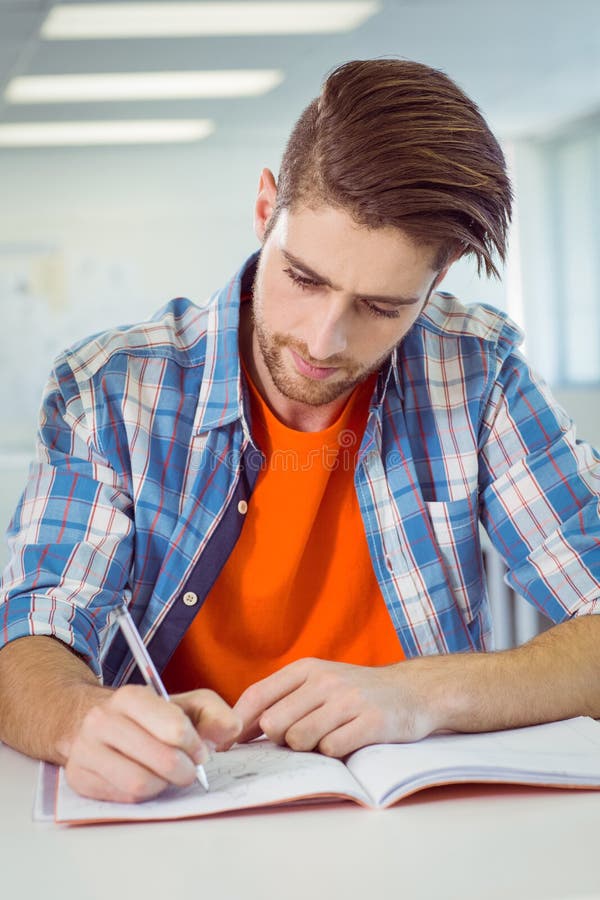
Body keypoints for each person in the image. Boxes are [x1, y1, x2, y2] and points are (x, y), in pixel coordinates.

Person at [0, 59, 598, 804]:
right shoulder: (112, 391)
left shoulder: (477, 374)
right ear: (265, 208)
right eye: (305, 279)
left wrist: (424, 694)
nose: (322, 341)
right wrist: (80, 719)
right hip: (179, 818)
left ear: (434, 283)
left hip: (420, 827)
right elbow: (30, 641)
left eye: (380, 307)